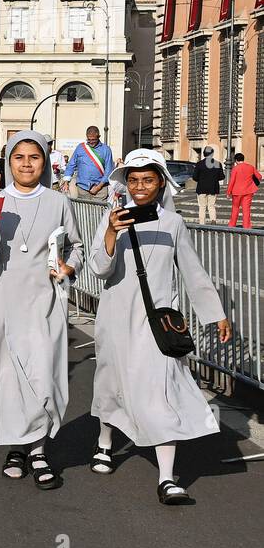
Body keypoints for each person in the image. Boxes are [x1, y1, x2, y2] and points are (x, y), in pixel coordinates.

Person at [90, 149, 231, 505]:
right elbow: (99, 268)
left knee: (162, 392)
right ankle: (105, 442)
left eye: (148, 180)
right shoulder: (112, 217)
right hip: (117, 318)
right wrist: (110, 231)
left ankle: (167, 478)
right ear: (126, 183)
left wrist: (216, 314)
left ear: (160, 183)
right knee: (112, 384)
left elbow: (192, 270)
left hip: (158, 322)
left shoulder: (173, 223)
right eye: (134, 180)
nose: (140, 187)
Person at [0, 130, 80, 490]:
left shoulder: (58, 202)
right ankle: (21, 448)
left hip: (42, 301)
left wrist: (68, 267)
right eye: (19, 157)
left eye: (34, 157)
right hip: (1, 299)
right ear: (8, 161)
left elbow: (76, 247)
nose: (27, 164)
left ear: (44, 162)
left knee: (41, 375)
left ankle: (38, 449)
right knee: (8, 378)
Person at [63, 126, 115, 201]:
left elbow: (109, 171)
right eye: (89, 139)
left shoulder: (106, 149)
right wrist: (66, 182)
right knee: (83, 212)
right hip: (82, 188)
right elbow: (71, 164)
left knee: (98, 212)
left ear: (99, 137)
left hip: (100, 189)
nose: (91, 142)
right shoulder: (80, 147)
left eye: (93, 140)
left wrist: (98, 187)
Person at [226, 152, 261, 229]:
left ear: (236, 160)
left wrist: (228, 192)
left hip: (236, 191)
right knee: (246, 209)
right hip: (248, 191)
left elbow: (232, 181)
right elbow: (259, 176)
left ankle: (232, 225)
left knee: (235, 208)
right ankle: (247, 226)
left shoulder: (235, 168)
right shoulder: (251, 167)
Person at [192, 146, 224, 225]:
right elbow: (222, 176)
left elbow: (195, 177)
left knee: (202, 207)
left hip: (201, 188)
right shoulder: (217, 163)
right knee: (211, 206)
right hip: (213, 188)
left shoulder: (199, 164)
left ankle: (202, 224)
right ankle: (213, 220)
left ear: (204, 154)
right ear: (212, 154)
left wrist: (201, 179)